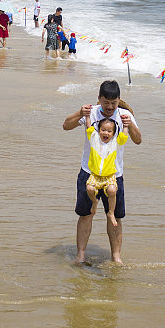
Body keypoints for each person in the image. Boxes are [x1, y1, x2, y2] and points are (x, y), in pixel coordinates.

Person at [61, 80, 141, 263]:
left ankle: (116, 257)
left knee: (115, 217)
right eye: (106, 102)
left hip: (114, 175)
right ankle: (80, 255)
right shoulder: (92, 111)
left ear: (119, 100)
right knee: (85, 214)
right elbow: (66, 125)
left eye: (114, 103)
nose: (110, 107)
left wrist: (131, 125)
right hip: (88, 172)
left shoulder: (125, 114)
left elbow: (138, 140)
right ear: (99, 99)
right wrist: (80, 113)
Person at [84, 117, 127, 226]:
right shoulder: (94, 139)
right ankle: (94, 202)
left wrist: (126, 126)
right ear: (98, 131)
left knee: (112, 191)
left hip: (109, 175)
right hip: (95, 174)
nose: (106, 133)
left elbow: (124, 137)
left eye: (109, 131)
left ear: (113, 133)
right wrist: (87, 116)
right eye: (103, 130)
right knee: (89, 188)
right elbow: (89, 127)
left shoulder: (115, 143)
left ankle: (111, 213)